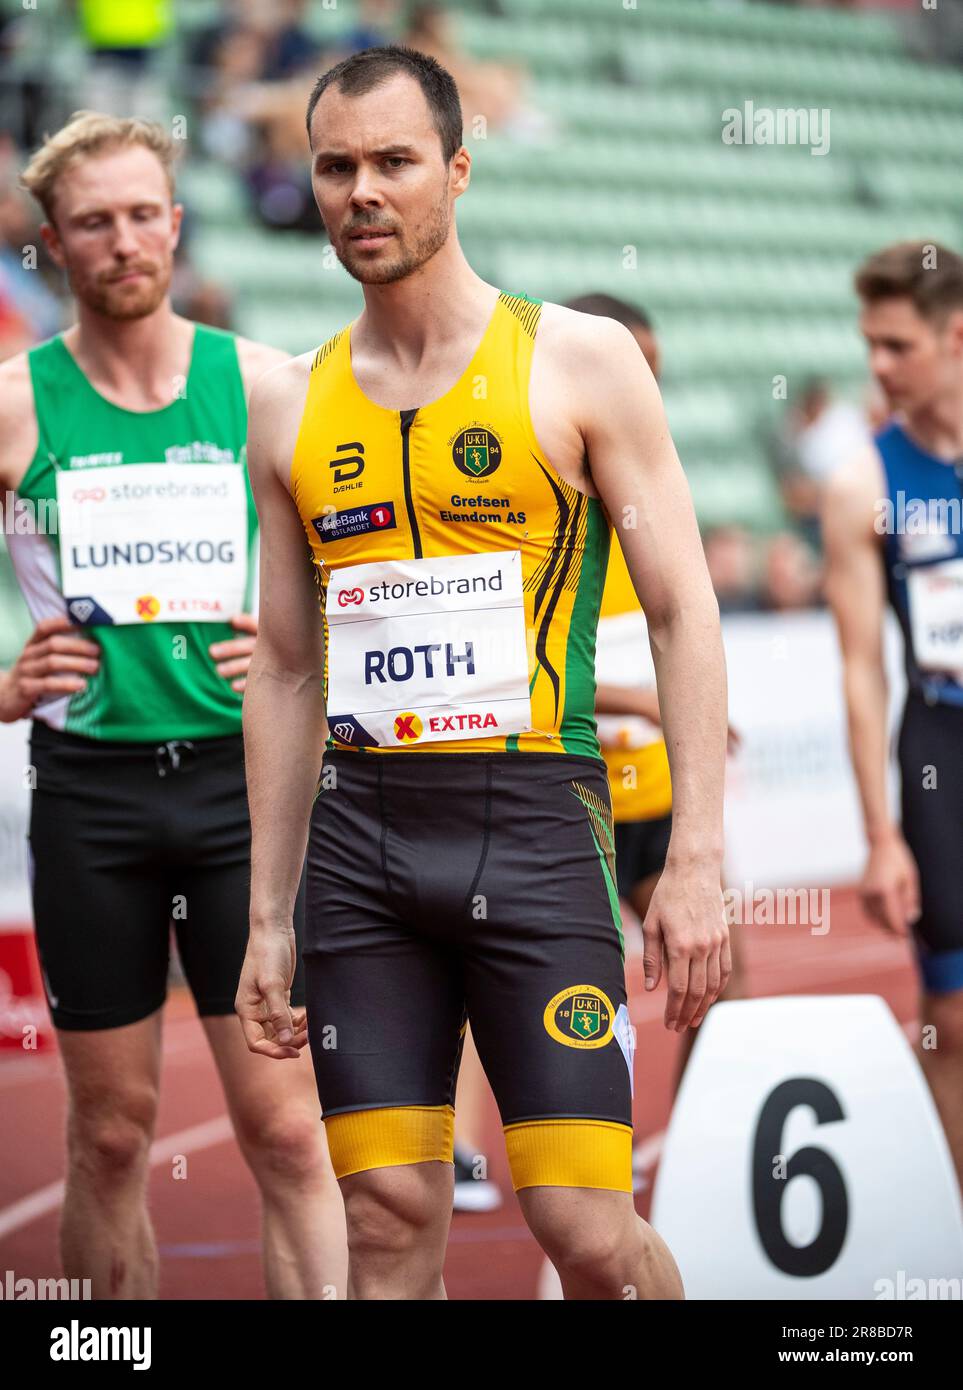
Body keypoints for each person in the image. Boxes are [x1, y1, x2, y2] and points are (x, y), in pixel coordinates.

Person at [237, 45, 729, 1300]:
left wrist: (698, 863)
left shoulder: (579, 361)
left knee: (585, 1231)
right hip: (361, 846)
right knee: (390, 1216)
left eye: (395, 162)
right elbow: (289, 670)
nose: (363, 191)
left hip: (538, 829)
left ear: (457, 169)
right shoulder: (289, 404)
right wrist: (269, 913)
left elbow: (680, 607)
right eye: (337, 165)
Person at [0, 112, 346, 1298]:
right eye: (93, 222)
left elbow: (369, 564)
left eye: (145, 214)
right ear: (52, 243)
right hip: (89, 799)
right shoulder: (14, 403)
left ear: (178, 223)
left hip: (242, 791)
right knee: (109, 1133)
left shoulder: (260, 384)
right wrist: (3, 688)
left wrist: (313, 657)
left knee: (291, 1129)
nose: (124, 241)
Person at [824, 240, 963, 1189]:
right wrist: (881, 833)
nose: (875, 364)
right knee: (950, 1014)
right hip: (939, 749)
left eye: (896, 344)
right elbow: (859, 668)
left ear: (955, 336)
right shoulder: (860, 483)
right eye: (867, 343)